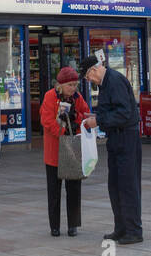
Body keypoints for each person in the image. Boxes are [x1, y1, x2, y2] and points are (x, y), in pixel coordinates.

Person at [82, 53, 142, 244]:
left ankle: (134, 230)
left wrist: (97, 120)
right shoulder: (105, 83)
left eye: (87, 77)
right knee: (115, 185)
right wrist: (94, 116)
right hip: (115, 138)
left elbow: (124, 113)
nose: (89, 81)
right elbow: (111, 109)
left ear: (94, 70)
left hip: (126, 137)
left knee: (127, 185)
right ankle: (121, 228)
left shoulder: (114, 80)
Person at [39, 66, 90, 237]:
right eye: (70, 85)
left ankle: (73, 225)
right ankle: (54, 226)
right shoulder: (49, 97)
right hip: (54, 150)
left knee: (74, 188)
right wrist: (62, 131)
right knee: (54, 191)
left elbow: (86, 113)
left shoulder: (77, 97)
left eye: (75, 84)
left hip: (73, 149)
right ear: (60, 85)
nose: (73, 88)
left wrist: (76, 120)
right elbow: (46, 121)